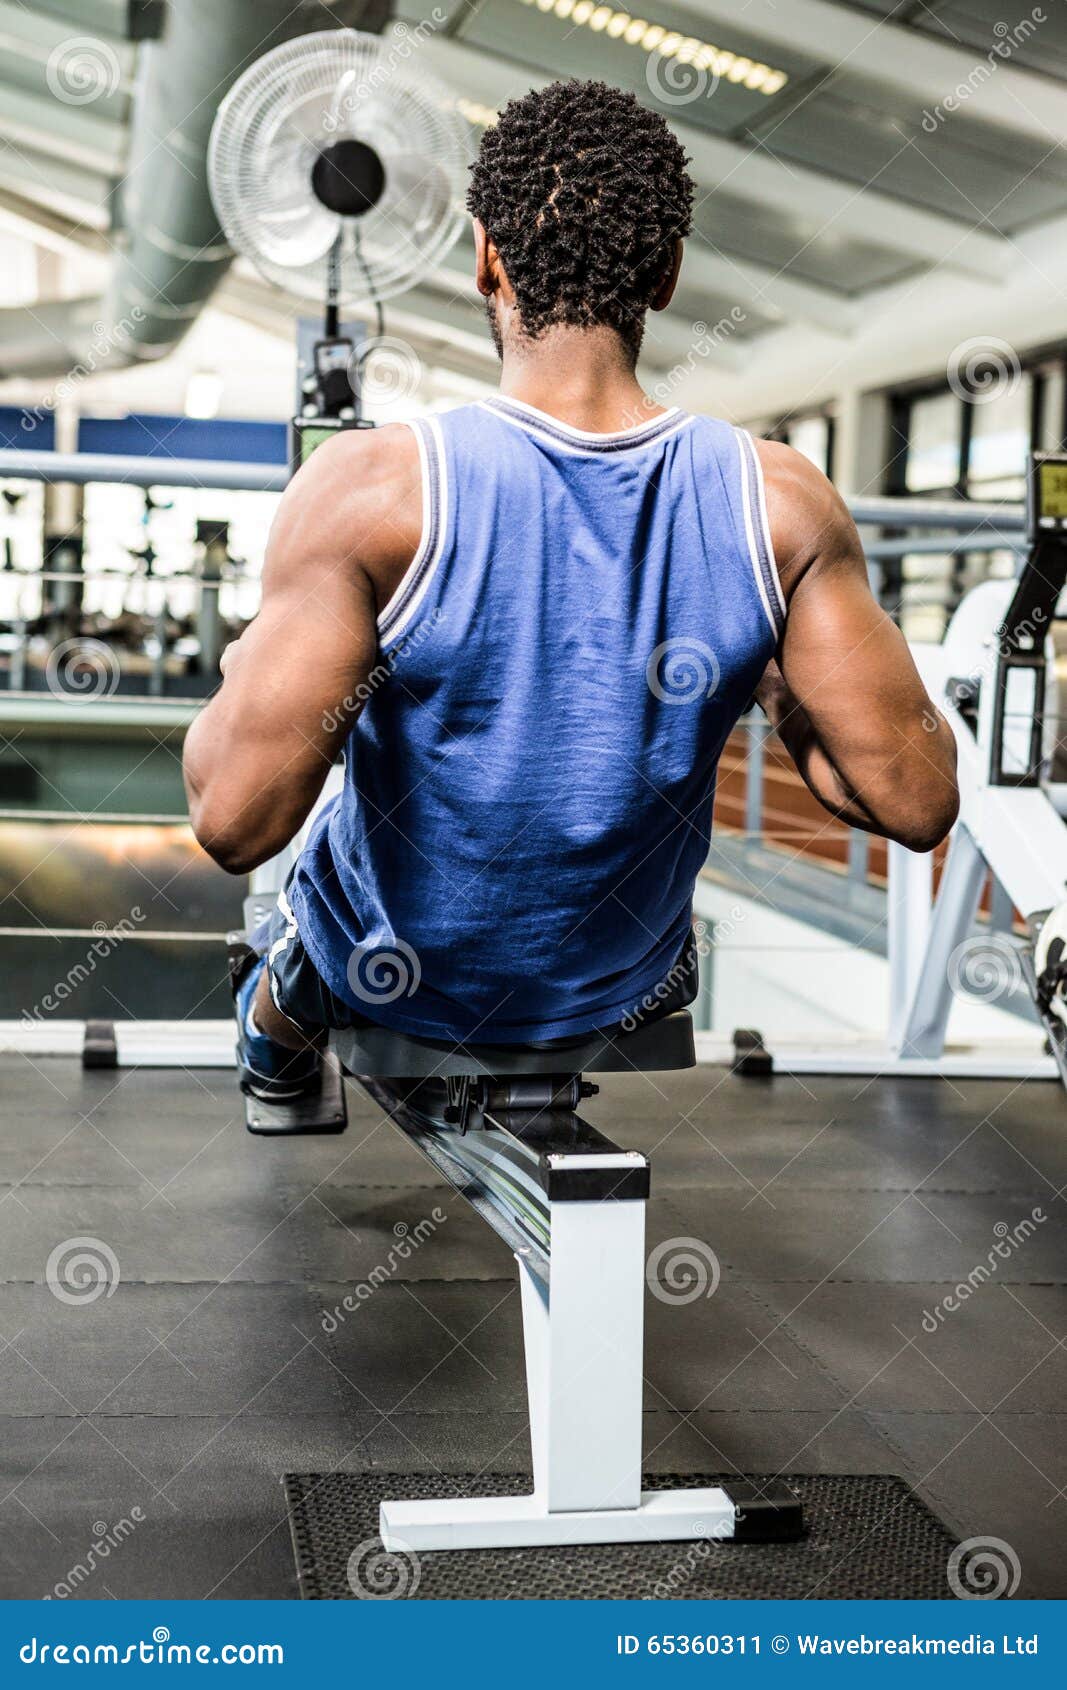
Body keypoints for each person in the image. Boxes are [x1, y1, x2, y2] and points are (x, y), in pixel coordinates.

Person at [183, 79, 959, 1101]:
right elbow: (914, 799)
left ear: (484, 260)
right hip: (621, 980)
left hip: (398, 974)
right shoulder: (779, 503)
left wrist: (260, 663)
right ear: (667, 274)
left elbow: (232, 821)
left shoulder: (368, 488)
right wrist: (771, 673)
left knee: (315, 880)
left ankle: (282, 1010)